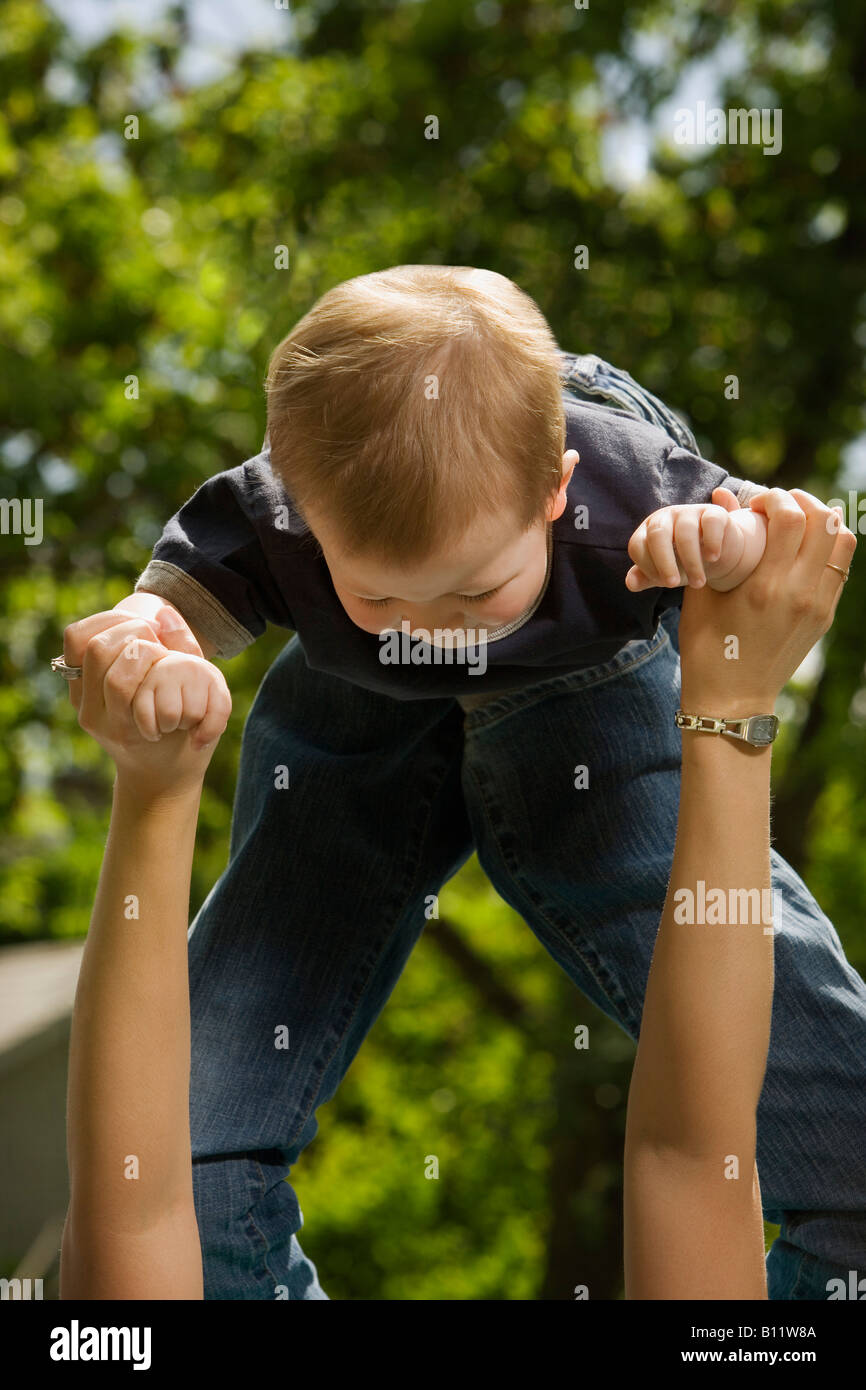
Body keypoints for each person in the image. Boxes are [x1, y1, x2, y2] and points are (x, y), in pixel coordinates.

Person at [56, 267, 866, 1299]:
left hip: (584, 676)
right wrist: (148, 629)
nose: (437, 630)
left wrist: (717, 540)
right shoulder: (280, 516)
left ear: (553, 490)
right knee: (185, 1157)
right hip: (353, 693)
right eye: (384, 591)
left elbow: (752, 531)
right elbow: (184, 584)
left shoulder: (618, 485)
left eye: (474, 591)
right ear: (307, 521)